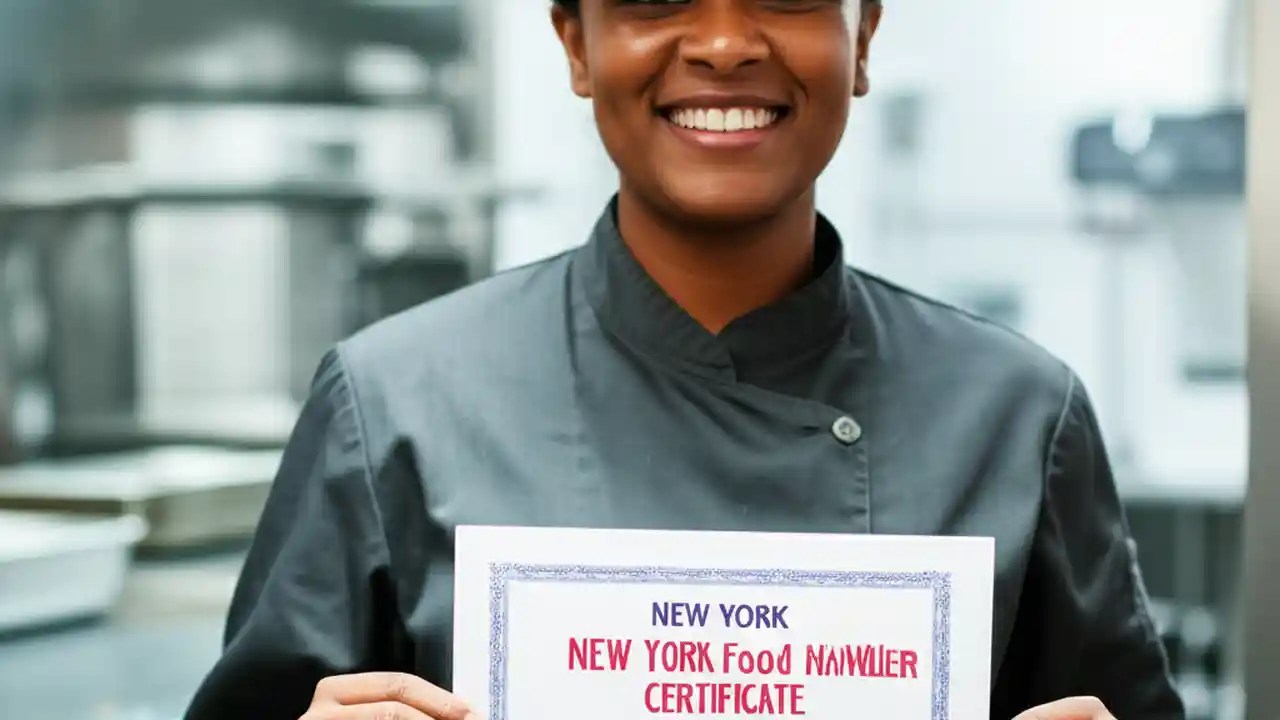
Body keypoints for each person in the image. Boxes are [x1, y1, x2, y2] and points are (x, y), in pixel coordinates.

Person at [185, 1, 1185, 719]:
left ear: (862, 34)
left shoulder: (1016, 415)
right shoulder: (391, 403)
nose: (719, 42)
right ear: (574, 42)